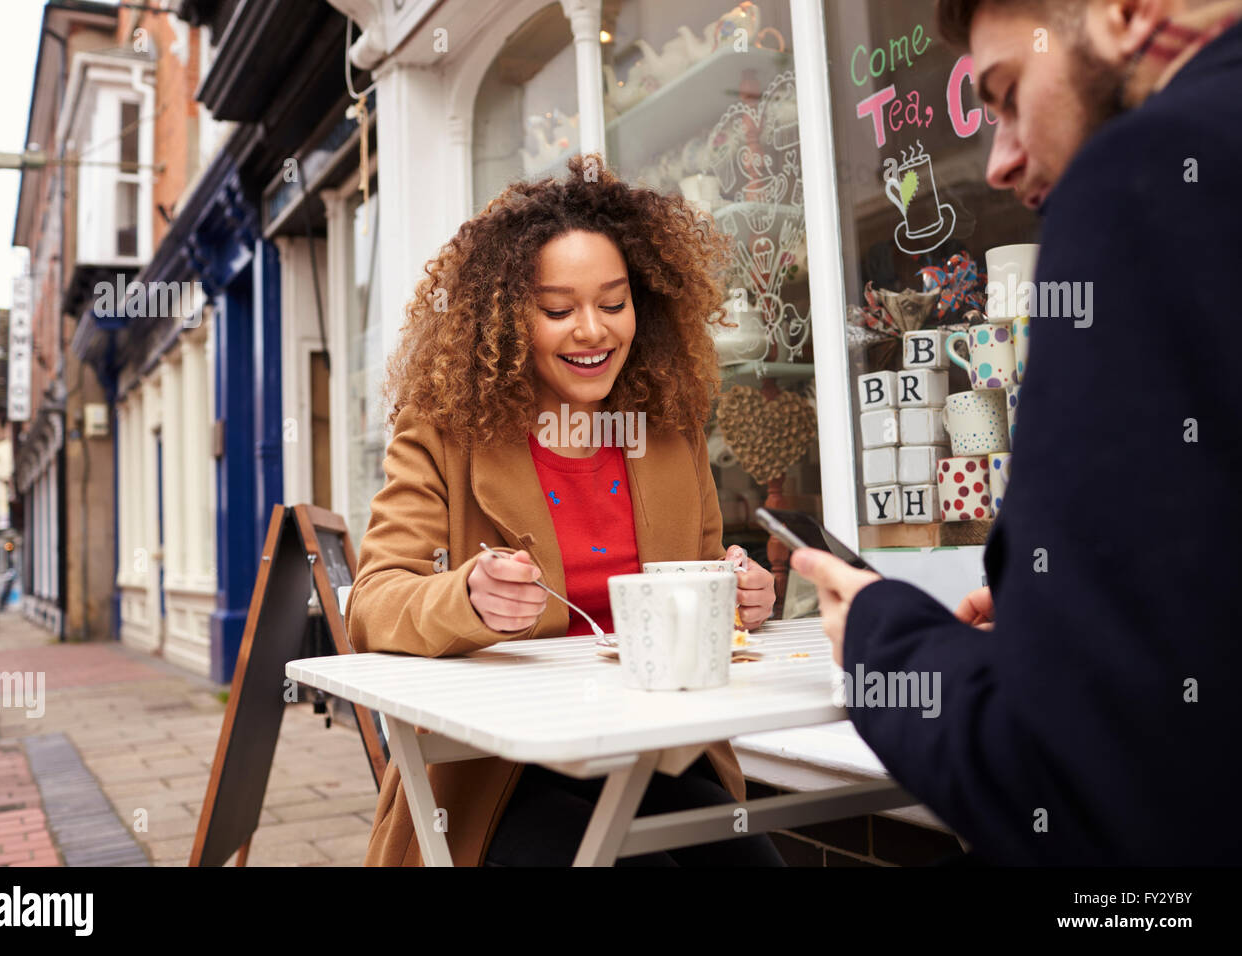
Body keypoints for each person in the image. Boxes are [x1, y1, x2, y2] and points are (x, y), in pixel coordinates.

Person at [790, 0, 1242, 864]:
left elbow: (1078, 776)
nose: (997, 163)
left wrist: (885, 637)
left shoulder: (1140, 181)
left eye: (1006, 94)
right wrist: (1073, 607)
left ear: (1127, 12)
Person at [346, 154, 784, 867]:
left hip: (657, 748)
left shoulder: (670, 427)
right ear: (506, 318)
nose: (592, 331)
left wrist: (740, 594)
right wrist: (468, 599)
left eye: (614, 303)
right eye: (558, 310)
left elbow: (704, 579)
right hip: (499, 768)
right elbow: (373, 604)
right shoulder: (441, 429)